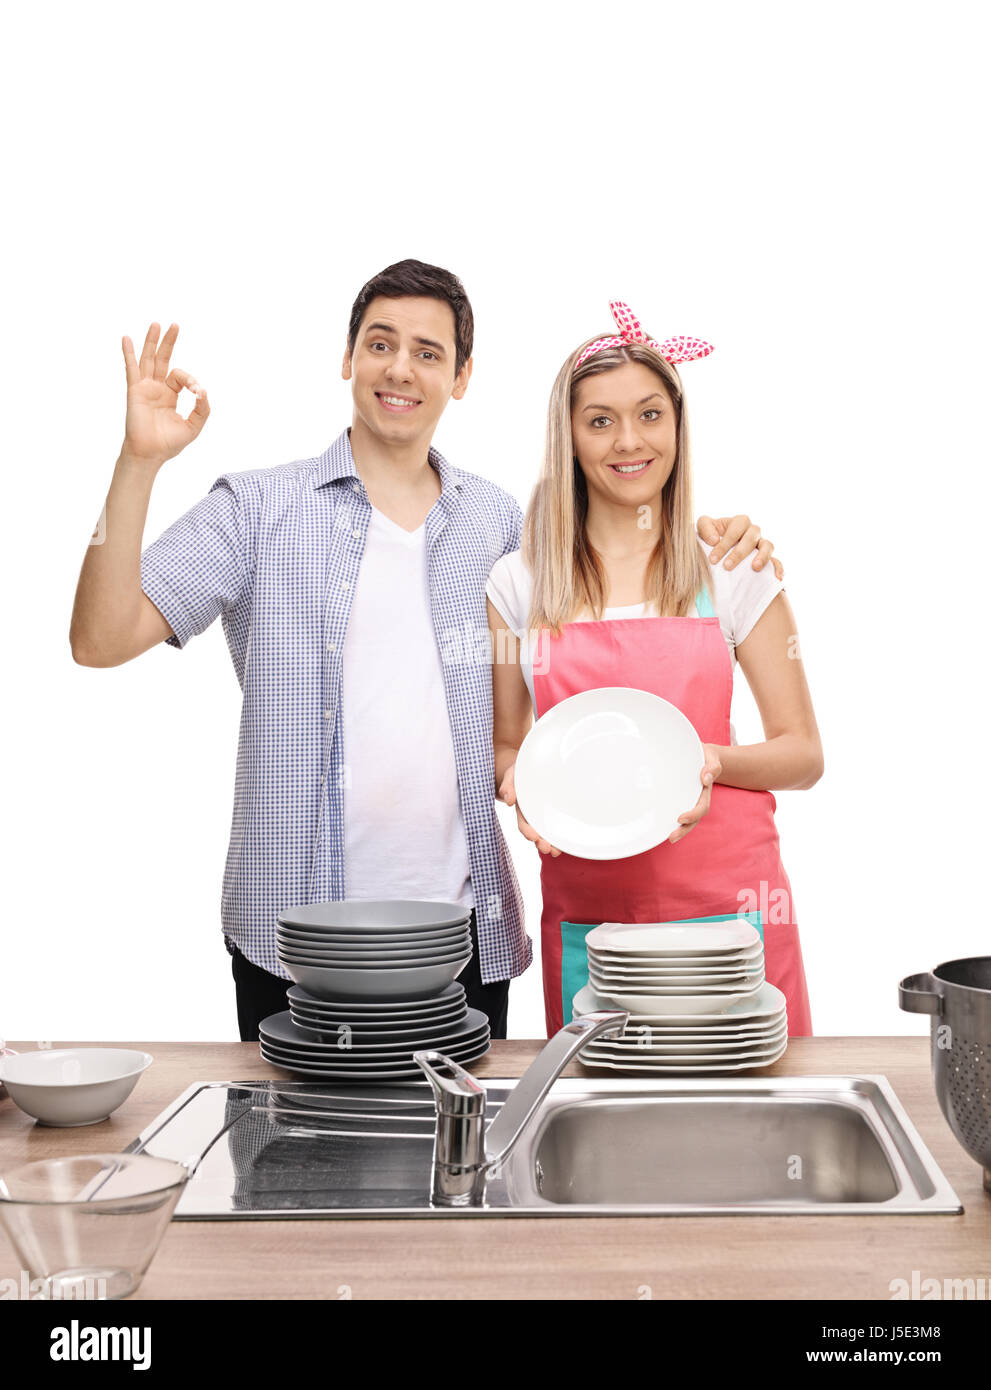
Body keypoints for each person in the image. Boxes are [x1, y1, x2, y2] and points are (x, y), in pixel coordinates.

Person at [69, 264, 781, 1041]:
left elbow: (608, 586)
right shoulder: (254, 510)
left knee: (465, 1157)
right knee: (298, 1159)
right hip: (295, 936)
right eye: (380, 344)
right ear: (348, 358)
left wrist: (715, 539)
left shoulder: (500, 524)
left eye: (428, 352)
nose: (400, 369)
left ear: (462, 377)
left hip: (464, 937)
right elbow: (99, 642)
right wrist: (139, 462)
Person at [486, 301, 823, 1038]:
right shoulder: (518, 585)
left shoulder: (733, 570)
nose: (628, 441)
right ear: (567, 438)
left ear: (677, 426)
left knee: (753, 1125)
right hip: (592, 919)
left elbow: (802, 756)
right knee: (600, 1130)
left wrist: (707, 761)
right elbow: (505, 749)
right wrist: (520, 788)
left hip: (734, 911)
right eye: (599, 420)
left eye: (648, 415)